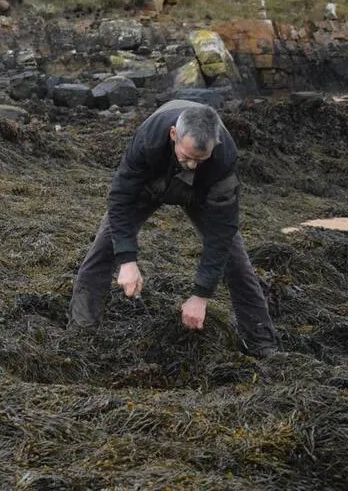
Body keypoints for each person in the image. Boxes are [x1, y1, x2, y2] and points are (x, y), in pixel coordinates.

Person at [67, 99, 278, 357]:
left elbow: (222, 233)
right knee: (101, 252)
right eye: (187, 157)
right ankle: (81, 333)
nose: (192, 165)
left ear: (216, 145)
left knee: (236, 262)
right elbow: (120, 199)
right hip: (151, 184)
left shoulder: (223, 159)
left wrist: (201, 296)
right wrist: (127, 259)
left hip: (202, 192)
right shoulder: (148, 139)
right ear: (173, 135)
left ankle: (261, 343)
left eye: (200, 160)